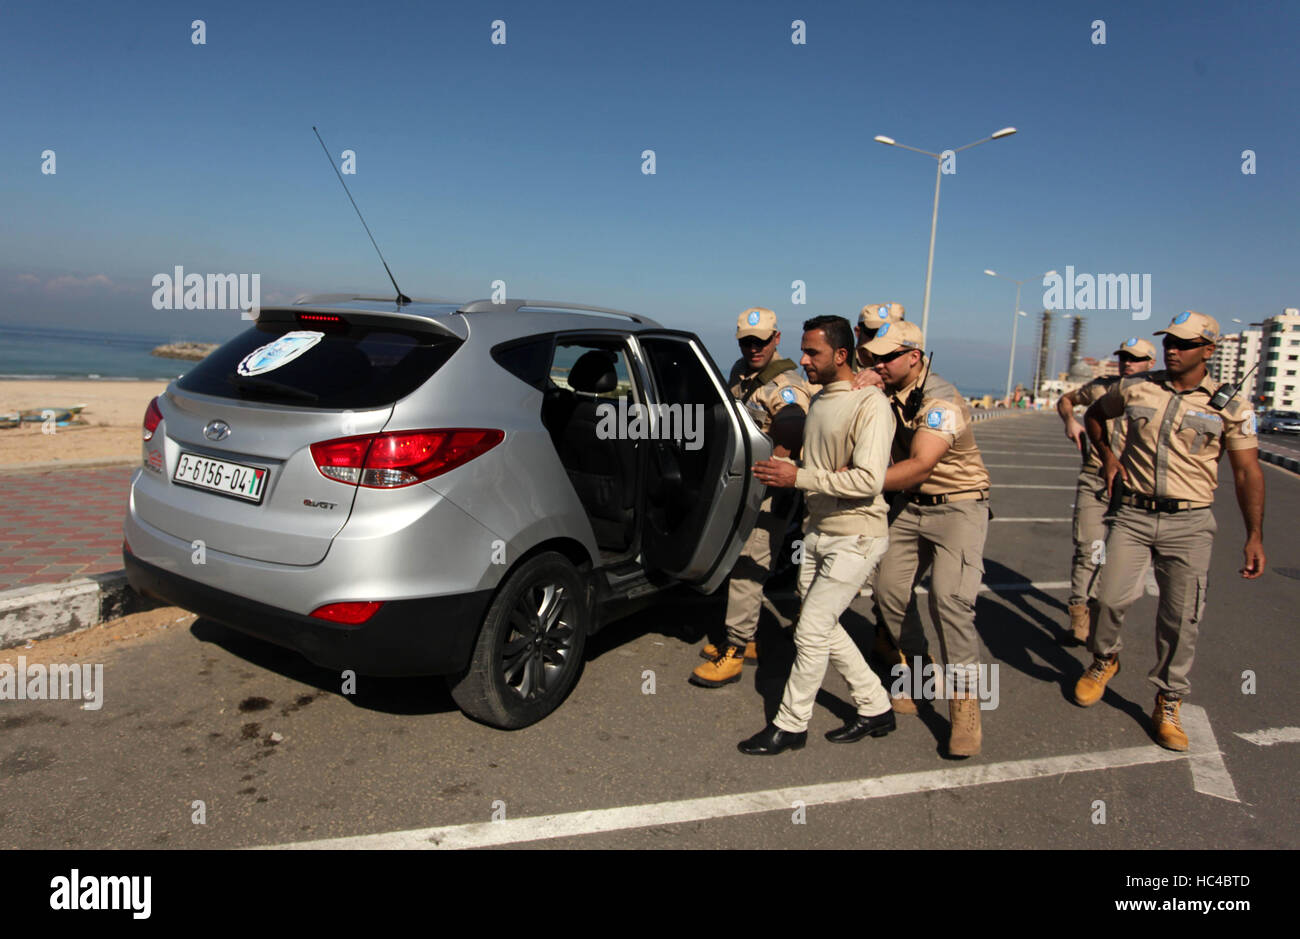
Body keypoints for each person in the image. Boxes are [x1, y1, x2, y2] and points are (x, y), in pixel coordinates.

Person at [1076, 311, 1265, 751]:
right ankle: (1105, 658)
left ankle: (1169, 698)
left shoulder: (1231, 406)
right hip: (1133, 514)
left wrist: (1253, 536)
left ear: (1208, 351)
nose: (1172, 350)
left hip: (1190, 522)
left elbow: (1246, 473)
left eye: (1183, 343)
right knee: (1107, 598)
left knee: (1182, 619)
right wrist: (1107, 455)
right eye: (1169, 343)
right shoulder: (1137, 387)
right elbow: (1094, 415)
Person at [738, 315, 896, 754]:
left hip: (857, 536)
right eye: (805, 350)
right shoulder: (823, 396)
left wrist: (799, 477)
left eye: (814, 353)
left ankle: (790, 725)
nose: (803, 360)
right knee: (821, 627)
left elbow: (868, 480)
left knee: (809, 630)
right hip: (818, 531)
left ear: (841, 356)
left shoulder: (871, 405)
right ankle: (875, 705)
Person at [864, 320, 991, 757]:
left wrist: (854, 483)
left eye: (887, 357)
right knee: (888, 592)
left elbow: (920, 465)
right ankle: (919, 671)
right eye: (873, 355)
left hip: (958, 505)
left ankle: (964, 705)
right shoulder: (886, 389)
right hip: (909, 504)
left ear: (914, 358)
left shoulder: (943, 401)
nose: (877, 362)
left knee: (949, 600)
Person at [690, 307, 814, 688]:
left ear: (777, 339)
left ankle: (736, 650)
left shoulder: (786, 383)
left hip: (769, 490)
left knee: (748, 564)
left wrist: (780, 455)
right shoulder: (740, 373)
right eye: (747, 341)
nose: (754, 348)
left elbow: (793, 420)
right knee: (739, 561)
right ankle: (750, 638)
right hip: (743, 484)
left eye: (761, 341)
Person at [1055, 338, 1156, 643]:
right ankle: (1079, 609)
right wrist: (1070, 421)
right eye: (1124, 357)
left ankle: (1101, 609)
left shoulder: (1157, 394)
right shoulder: (1100, 387)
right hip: (1095, 479)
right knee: (1089, 548)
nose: (1128, 363)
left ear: (1151, 363)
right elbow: (1066, 399)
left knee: (1118, 560)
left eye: (1136, 358)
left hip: (1135, 486)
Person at [851, 302, 906, 389]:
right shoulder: (840, 364)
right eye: (874, 333)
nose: (881, 340)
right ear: (858, 332)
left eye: (890, 334)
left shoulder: (913, 364)